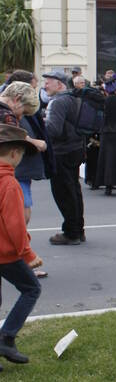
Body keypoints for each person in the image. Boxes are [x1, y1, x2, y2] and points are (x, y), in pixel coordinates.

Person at [0, 124, 44, 363]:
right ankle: (6, 338)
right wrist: (27, 253)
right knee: (31, 289)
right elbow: (15, 226)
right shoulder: (9, 184)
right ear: (15, 154)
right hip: (5, 254)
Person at [0, 82, 50, 277]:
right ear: (16, 100)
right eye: (23, 112)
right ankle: (22, 262)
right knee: (17, 216)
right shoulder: (6, 116)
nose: (21, 118)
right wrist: (35, 143)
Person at [42, 69, 86, 245]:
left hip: (62, 151)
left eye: (49, 81)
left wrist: (41, 123)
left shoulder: (58, 102)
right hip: (75, 148)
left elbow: (54, 130)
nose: (45, 85)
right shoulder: (74, 98)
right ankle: (78, 229)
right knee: (73, 190)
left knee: (63, 192)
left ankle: (71, 232)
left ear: (59, 84)